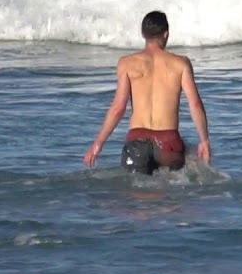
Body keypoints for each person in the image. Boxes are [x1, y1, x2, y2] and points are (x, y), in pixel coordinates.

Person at [84, 11, 211, 174]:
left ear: (143, 34)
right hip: (168, 144)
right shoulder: (181, 64)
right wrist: (204, 141)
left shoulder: (126, 63)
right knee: (173, 184)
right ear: (166, 34)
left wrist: (98, 144)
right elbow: (195, 104)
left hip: (137, 143)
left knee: (138, 188)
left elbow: (118, 109)